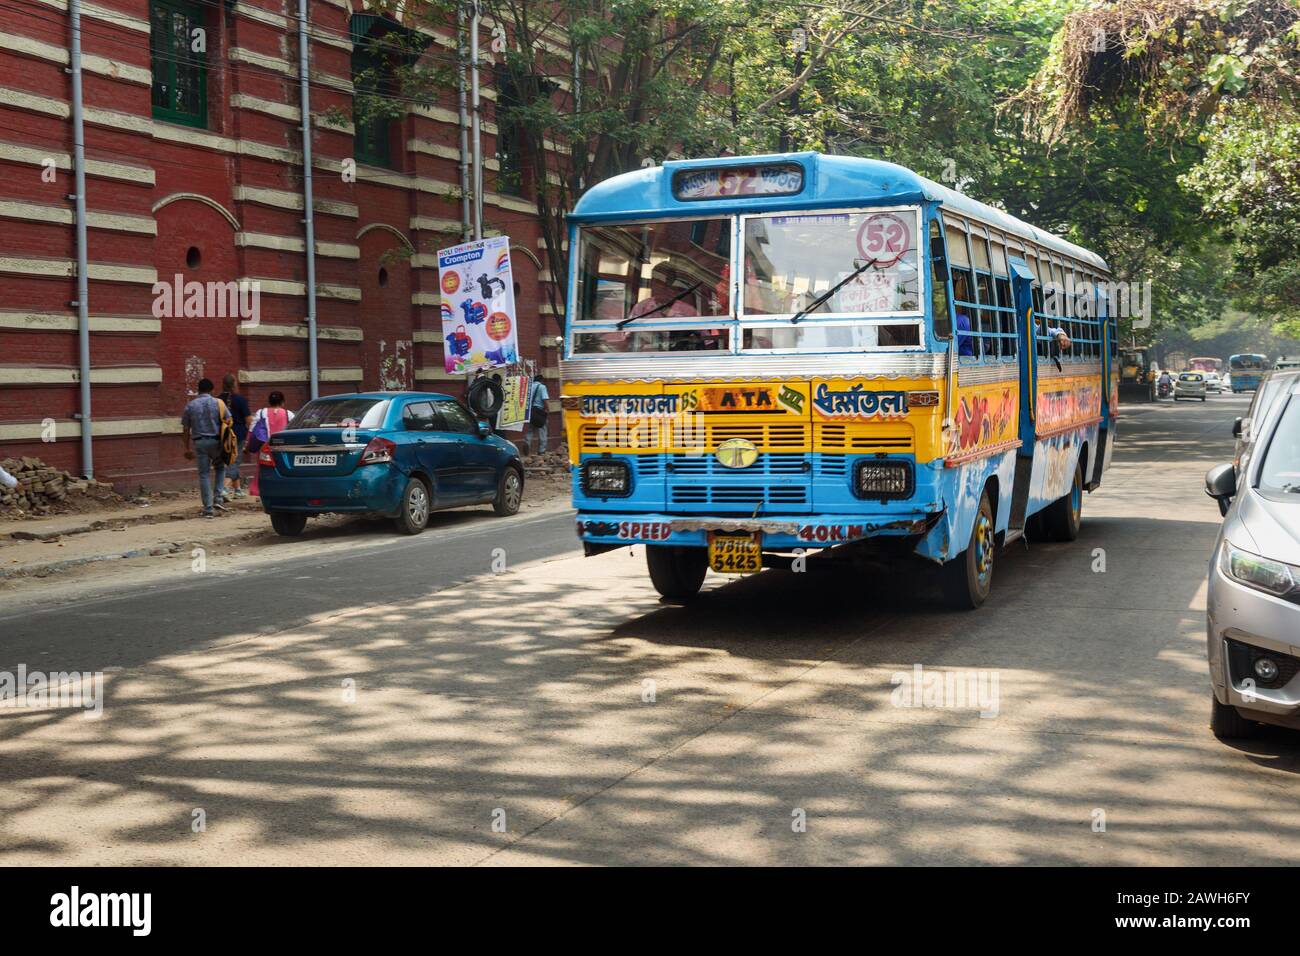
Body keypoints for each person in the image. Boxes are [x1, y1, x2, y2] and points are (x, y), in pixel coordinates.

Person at [180, 377, 233, 518]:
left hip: (200, 443)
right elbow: (228, 421)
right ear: (211, 390)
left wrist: (187, 448)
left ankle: (208, 508)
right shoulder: (219, 403)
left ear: (198, 390)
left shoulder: (191, 406)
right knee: (220, 468)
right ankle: (218, 498)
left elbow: (185, 428)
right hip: (217, 442)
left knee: (203, 474)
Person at [245, 391, 293, 498]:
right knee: (283, 468)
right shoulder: (288, 414)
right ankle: (282, 491)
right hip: (282, 448)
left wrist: (247, 444)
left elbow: (252, 429)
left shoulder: (261, 412)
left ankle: (260, 492)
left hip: (265, 447)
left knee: (263, 469)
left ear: (269, 401)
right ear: (282, 402)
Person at [218, 373, 252, 499]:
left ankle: (237, 490)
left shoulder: (218, 399)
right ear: (234, 385)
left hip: (223, 434)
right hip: (238, 434)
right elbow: (248, 420)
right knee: (234, 461)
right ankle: (224, 488)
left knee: (231, 460)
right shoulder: (240, 400)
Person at [526, 376, 550, 455]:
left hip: (531, 411)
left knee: (530, 430)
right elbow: (545, 399)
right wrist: (548, 409)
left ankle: (527, 443)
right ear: (541, 380)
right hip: (539, 411)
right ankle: (541, 450)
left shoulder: (529, 387)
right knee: (542, 430)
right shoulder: (542, 387)